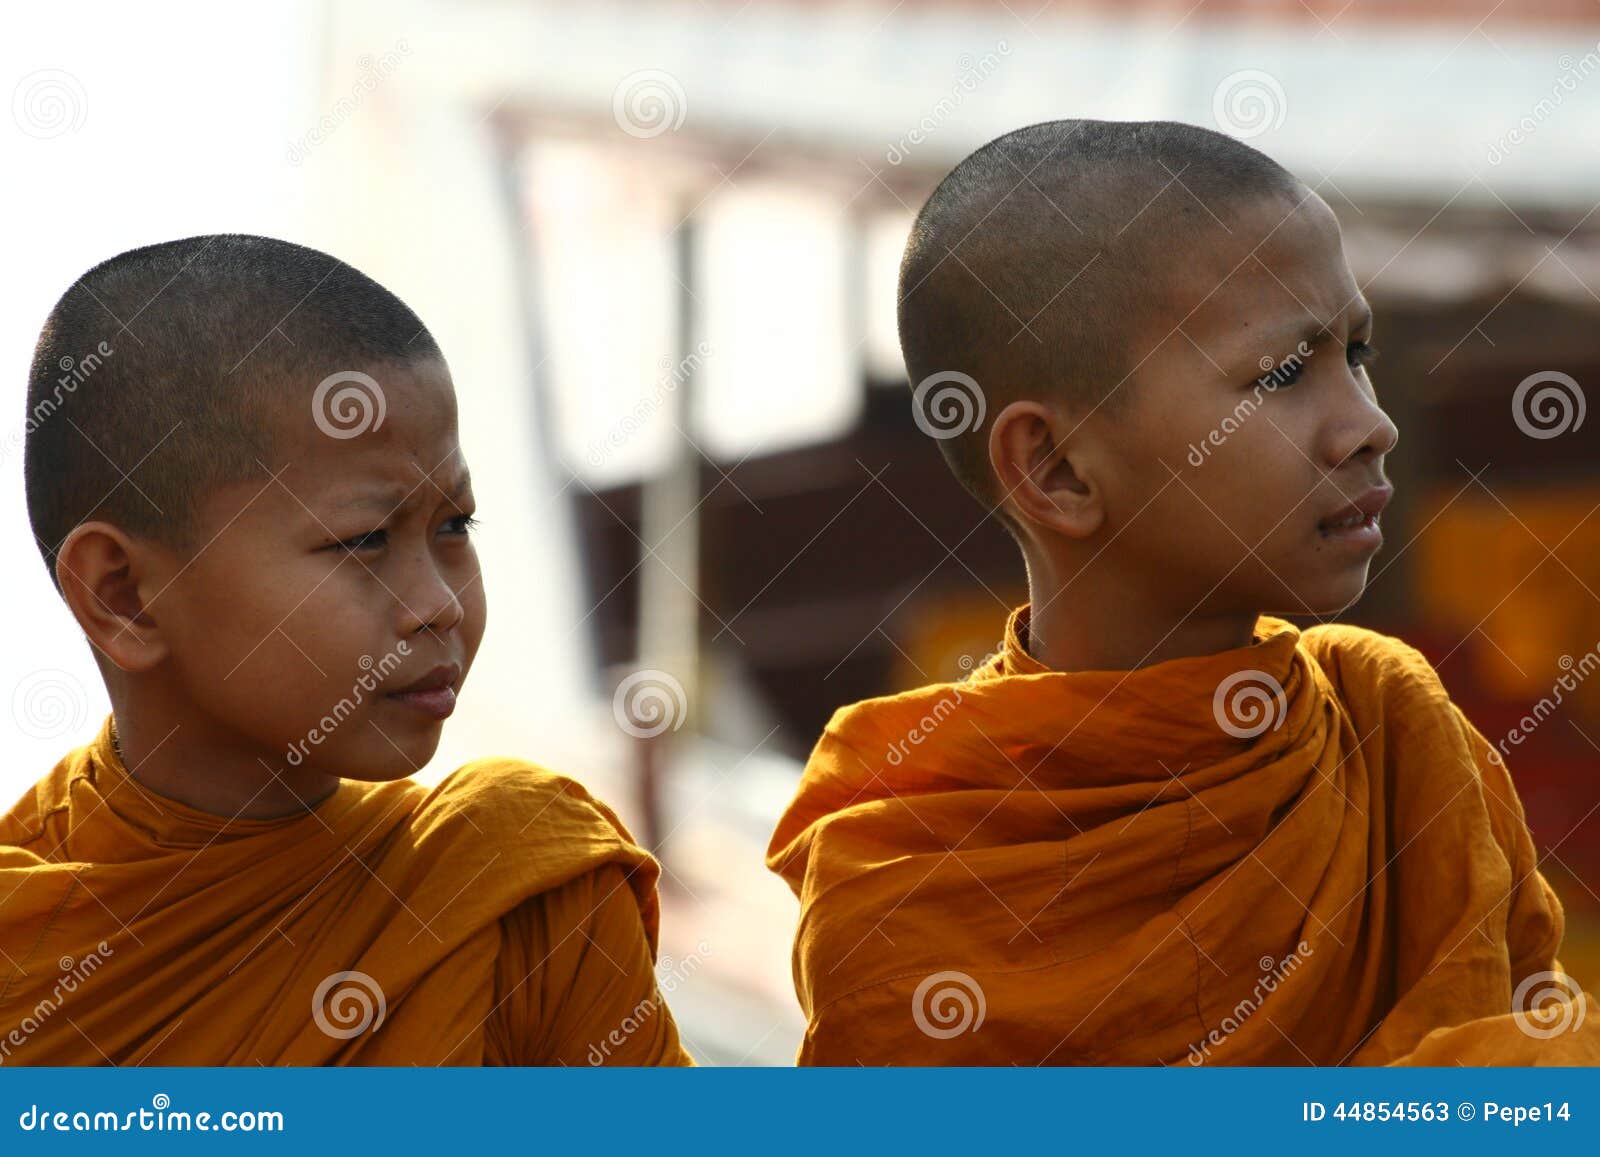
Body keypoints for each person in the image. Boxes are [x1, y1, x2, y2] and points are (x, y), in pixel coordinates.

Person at [767, 120, 1598, 1066]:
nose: (1371, 426)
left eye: (1357, 353)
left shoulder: (1390, 728)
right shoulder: (912, 878)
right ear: (1058, 470)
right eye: (1283, 373)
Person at [1, 235, 691, 1066]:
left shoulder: (515, 891)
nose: (437, 602)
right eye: (364, 539)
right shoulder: (26, 944)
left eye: (454, 526)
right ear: (123, 594)